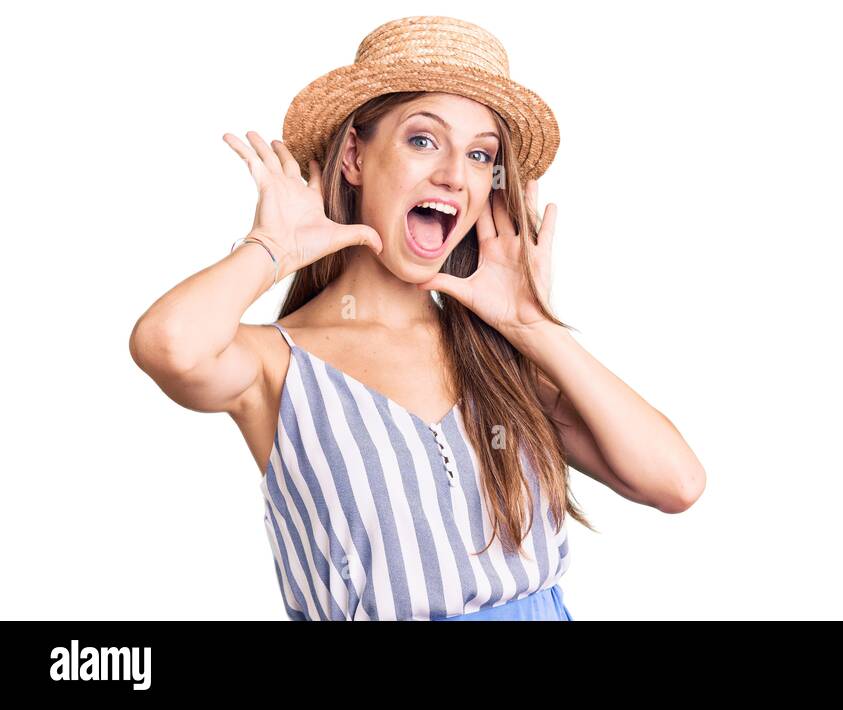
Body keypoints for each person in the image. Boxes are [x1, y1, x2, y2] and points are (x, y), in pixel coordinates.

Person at [128, 16, 706, 620]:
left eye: (481, 155)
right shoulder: (276, 364)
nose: (454, 174)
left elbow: (675, 483)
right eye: (423, 140)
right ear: (353, 154)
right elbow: (169, 345)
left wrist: (531, 325)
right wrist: (272, 250)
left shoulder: (500, 361)